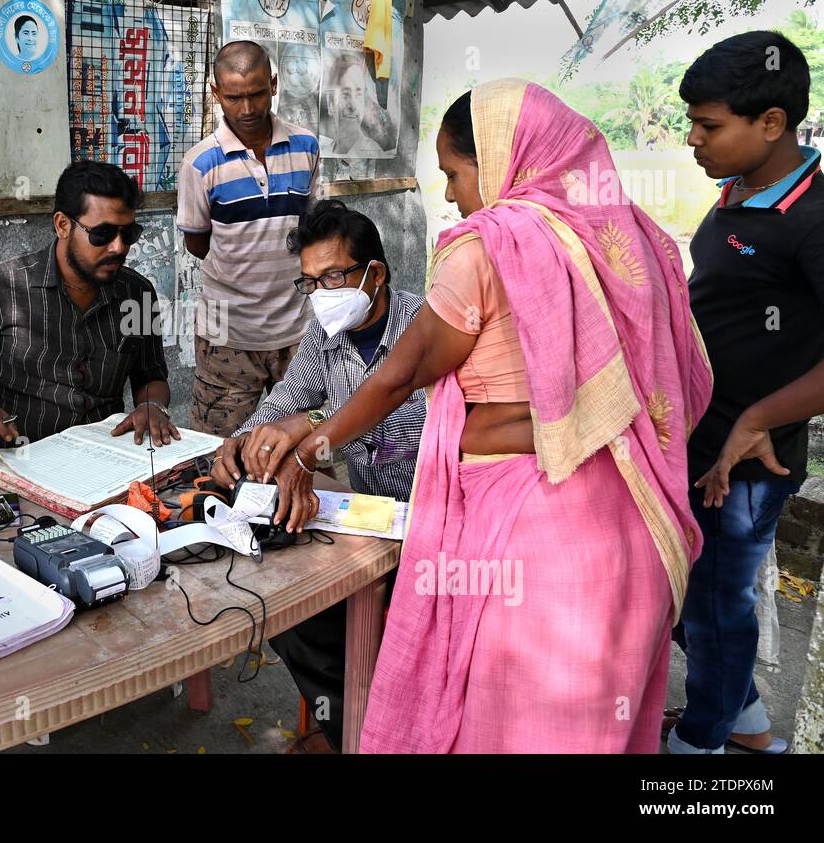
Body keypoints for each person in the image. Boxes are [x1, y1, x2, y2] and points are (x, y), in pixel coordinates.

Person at [264, 79, 711, 753]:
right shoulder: (636, 240)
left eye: (453, 173)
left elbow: (404, 373)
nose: (449, 194)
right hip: (631, 529)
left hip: (529, 542)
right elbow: (681, 379)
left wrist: (309, 449)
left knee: (503, 729)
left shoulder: (490, 243)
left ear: (503, 156)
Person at [211, 200, 426, 751]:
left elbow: (414, 422)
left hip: (438, 529)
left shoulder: (424, 327)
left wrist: (311, 431)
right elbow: (286, 400)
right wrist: (247, 443)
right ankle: (355, 728)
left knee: (393, 634)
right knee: (285, 610)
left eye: (334, 276)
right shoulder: (325, 335)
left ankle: (380, 727)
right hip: (372, 526)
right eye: (311, 282)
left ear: (374, 273)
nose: (323, 293)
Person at [669, 31, 824, 754]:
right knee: (690, 597)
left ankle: (700, 747)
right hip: (701, 437)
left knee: (713, 606)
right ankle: (752, 726)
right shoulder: (737, 193)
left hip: (749, 458)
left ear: (770, 124)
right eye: (692, 123)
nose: (694, 140)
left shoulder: (813, 220)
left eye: (709, 125)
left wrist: (761, 416)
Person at [0, 160, 177, 458]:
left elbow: (151, 377)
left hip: (106, 461)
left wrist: (152, 406)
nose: (119, 247)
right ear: (63, 225)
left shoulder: (137, 292)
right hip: (24, 460)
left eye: (129, 234)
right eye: (102, 235)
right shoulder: (0, 285)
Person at [177, 40, 319, 438]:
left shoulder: (306, 146)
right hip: (227, 337)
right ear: (216, 93)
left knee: (303, 448)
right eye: (234, 97)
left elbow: (311, 226)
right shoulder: (199, 163)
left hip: (299, 330)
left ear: (273, 84)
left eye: (257, 94)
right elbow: (198, 243)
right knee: (220, 452)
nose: (247, 109)